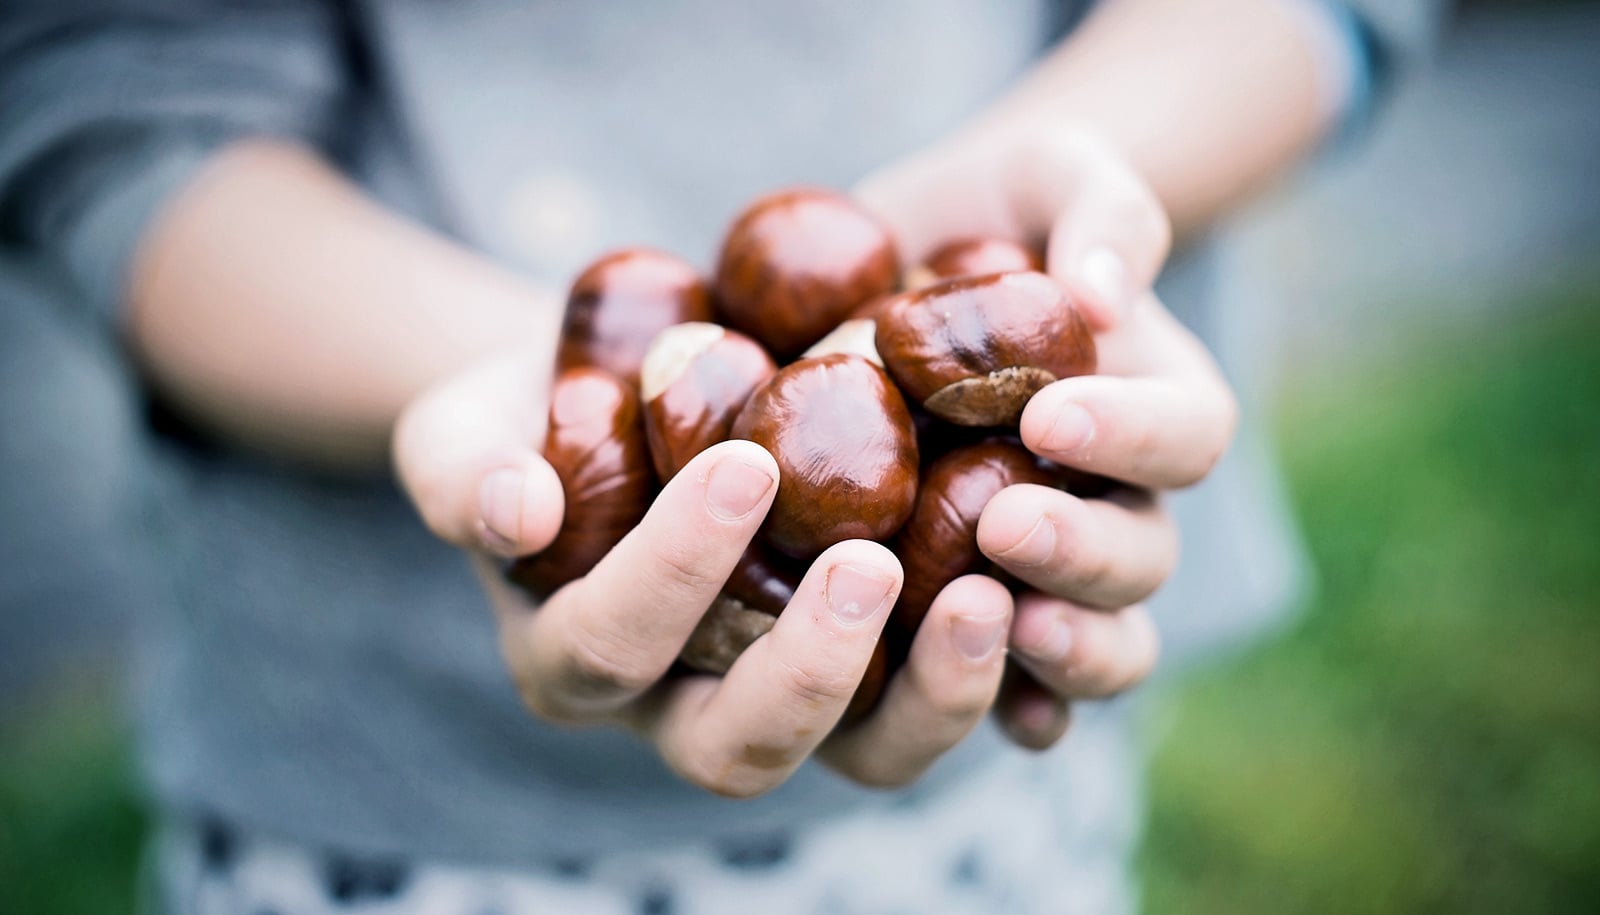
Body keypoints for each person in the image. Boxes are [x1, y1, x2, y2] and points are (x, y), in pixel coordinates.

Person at [0, 1, 1426, 911]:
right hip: (390, 798)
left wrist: (1086, 179)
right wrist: (478, 376)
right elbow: (96, 94)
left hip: (987, 790)